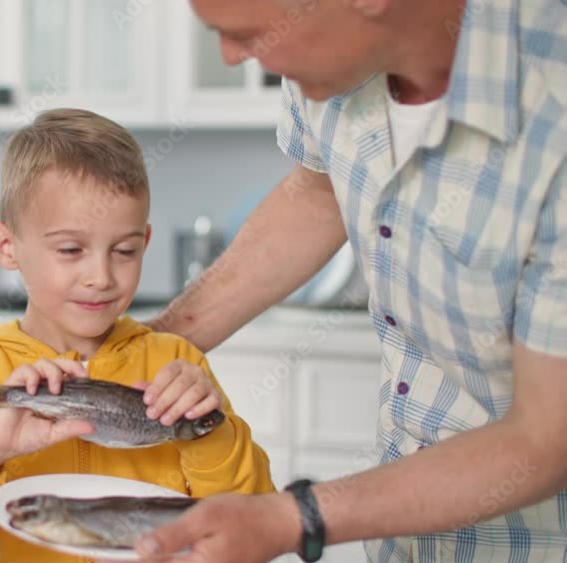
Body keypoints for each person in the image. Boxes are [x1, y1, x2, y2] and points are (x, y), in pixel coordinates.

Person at [133, 0, 567, 562]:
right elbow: (318, 191)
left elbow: (545, 439)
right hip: (403, 536)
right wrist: (157, 340)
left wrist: (296, 517)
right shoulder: (334, 58)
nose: (233, 56)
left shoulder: (552, 112)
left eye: (248, 32)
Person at [0, 108, 275, 562]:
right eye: (70, 249)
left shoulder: (176, 365)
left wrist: (208, 430)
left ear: (146, 241)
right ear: (8, 246)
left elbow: (252, 527)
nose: (100, 276)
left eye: (124, 250)